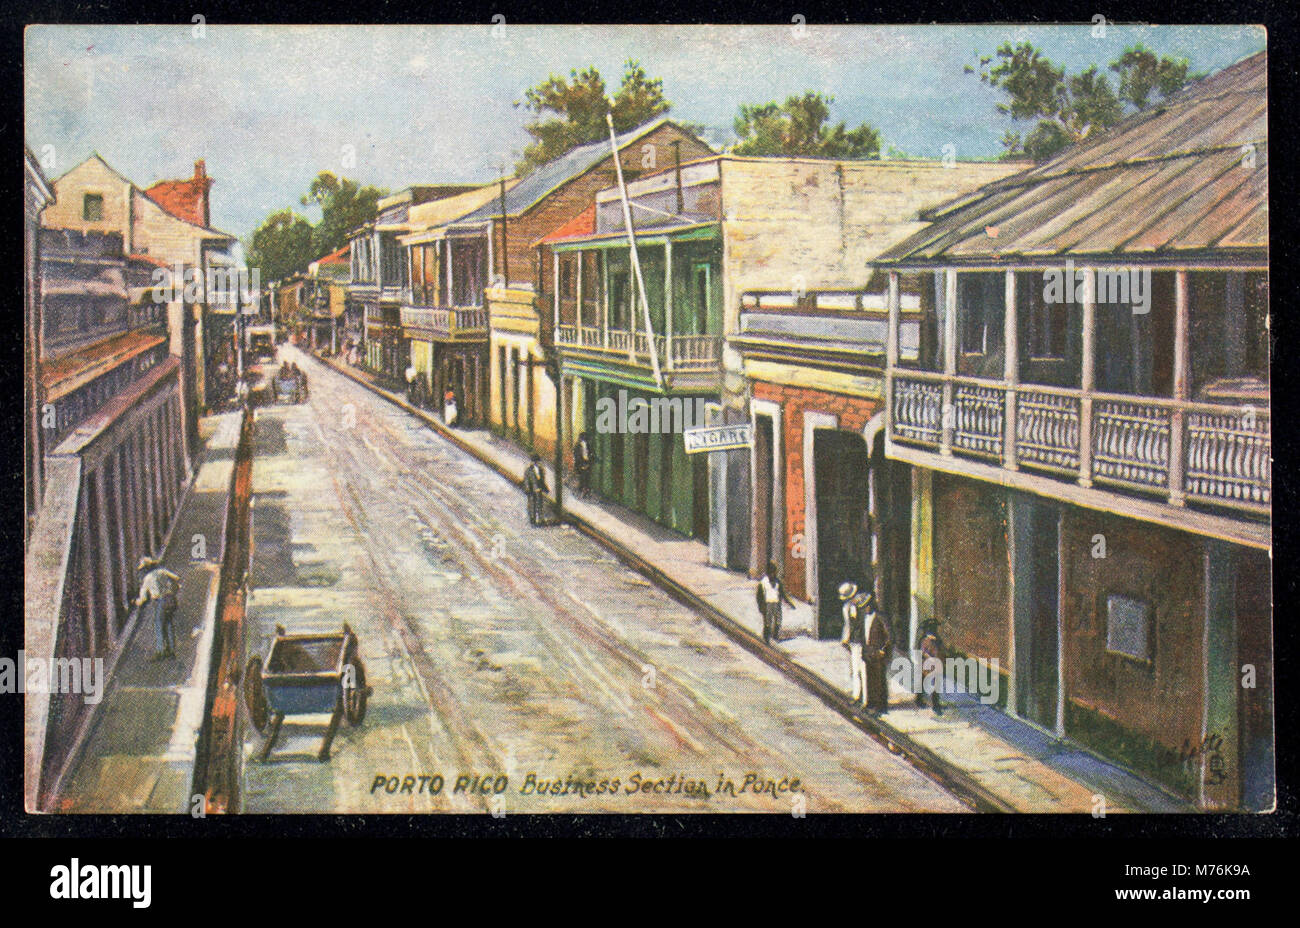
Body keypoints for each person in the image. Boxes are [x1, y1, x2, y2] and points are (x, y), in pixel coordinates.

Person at [136, 557, 181, 659]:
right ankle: (171, 650)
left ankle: (160, 651)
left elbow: (143, 598)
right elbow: (176, 577)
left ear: (146, 568)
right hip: (170, 599)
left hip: (160, 601)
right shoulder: (162, 571)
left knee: (159, 625)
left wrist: (137, 602)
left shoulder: (147, 579)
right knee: (169, 624)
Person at [839, 581, 868, 708]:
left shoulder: (864, 605)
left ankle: (865, 700)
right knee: (856, 670)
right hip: (855, 642)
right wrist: (845, 640)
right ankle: (857, 696)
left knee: (864, 670)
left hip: (864, 641)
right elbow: (848, 626)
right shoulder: (847, 608)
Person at [755, 561, 795, 644]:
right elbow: (759, 597)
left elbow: (783, 594)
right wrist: (761, 607)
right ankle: (766, 638)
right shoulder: (763, 583)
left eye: (773, 573)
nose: (772, 575)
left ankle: (775, 635)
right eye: (770, 573)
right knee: (767, 622)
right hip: (767, 604)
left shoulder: (778, 582)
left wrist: (789, 603)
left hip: (777, 604)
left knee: (778, 621)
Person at [916, 621, 945, 714]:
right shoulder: (924, 639)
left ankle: (935, 705)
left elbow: (941, 650)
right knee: (923, 682)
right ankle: (919, 700)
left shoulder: (937, 639)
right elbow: (923, 652)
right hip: (927, 665)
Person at [523, 454, 548, 526]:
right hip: (531, 490)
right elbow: (526, 480)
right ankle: (532, 520)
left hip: (539, 489)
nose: (537, 463)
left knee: (540, 505)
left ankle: (541, 520)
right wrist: (528, 489)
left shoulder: (541, 469)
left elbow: (542, 480)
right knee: (532, 505)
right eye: (535, 462)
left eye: (538, 462)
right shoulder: (528, 470)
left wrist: (543, 487)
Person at [573, 431, 595, 498]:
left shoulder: (588, 445)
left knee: (587, 479)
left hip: (587, 464)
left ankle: (585, 493)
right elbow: (577, 457)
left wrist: (589, 462)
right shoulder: (577, 446)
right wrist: (582, 464)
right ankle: (580, 492)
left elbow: (591, 454)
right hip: (580, 464)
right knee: (582, 479)